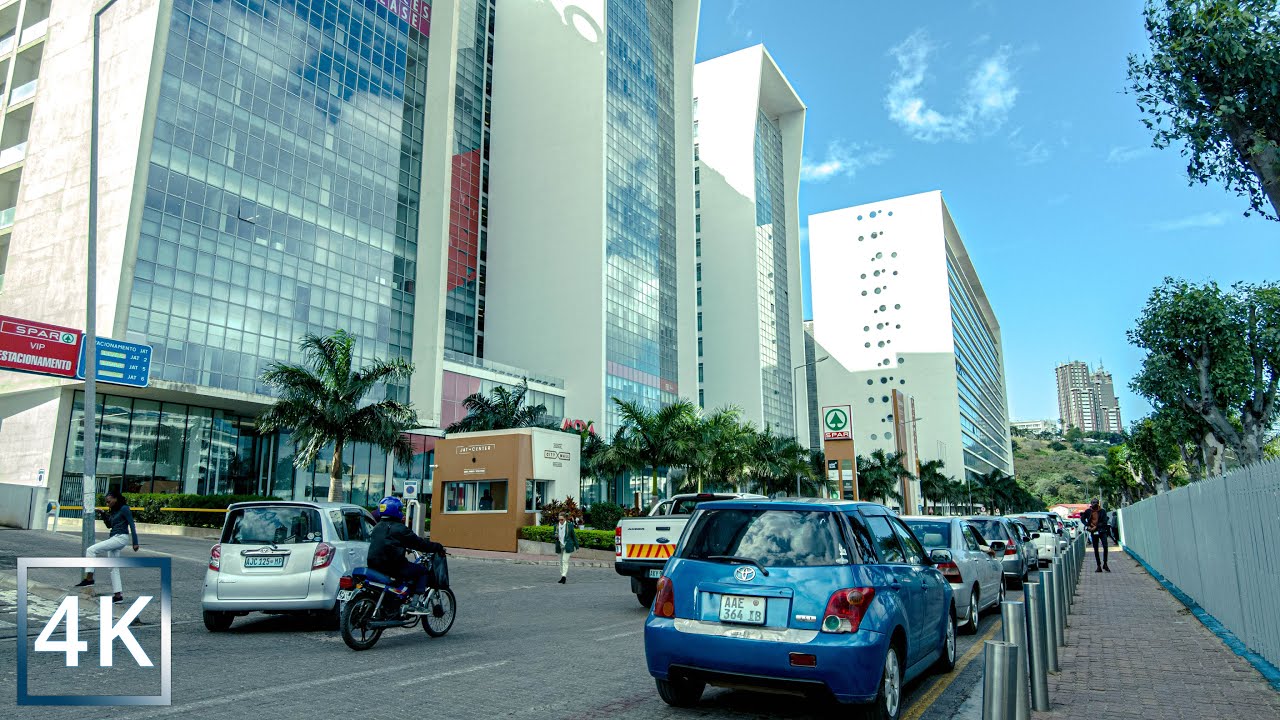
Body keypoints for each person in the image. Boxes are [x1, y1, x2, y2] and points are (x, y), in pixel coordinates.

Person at [368, 496, 445, 613]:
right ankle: (414, 604)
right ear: (396, 511)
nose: (401, 512)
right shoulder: (400, 528)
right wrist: (437, 546)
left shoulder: (377, 527)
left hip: (374, 565)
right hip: (393, 567)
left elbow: (387, 542)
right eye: (400, 509)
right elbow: (419, 544)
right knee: (422, 571)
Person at [74, 490, 140, 603]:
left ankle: (89, 578)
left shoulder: (125, 508)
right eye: (106, 502)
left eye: (108, 501)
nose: (107, 503)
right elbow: (110, 525)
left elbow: (132, 525)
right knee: (113, 567)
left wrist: (135, 542)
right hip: (114, 538)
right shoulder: (114, 511)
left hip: (121, 538)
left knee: (91, 550)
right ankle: (118, 596)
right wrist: (103, 513)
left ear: (115, 499)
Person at [1086, 498, 1111, 572]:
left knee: (1105, 547)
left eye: (1096, 502)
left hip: (1102, 531)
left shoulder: (1102, 511)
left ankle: (1105, 563)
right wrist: (1087, 525)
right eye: (1093, 502)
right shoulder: (1089, 511)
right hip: (1094, 532)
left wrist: (1095, 527)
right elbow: (1083, 518)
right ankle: (1098, 565)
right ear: (1091, 503)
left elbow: (1104, 521)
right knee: (1095, 549)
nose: (1095, 504)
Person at [554, 511, 577, 584]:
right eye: (559, 520)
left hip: (568, 545)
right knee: (560, 561)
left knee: (564, 560)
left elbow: (573, 536)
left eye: (562, 520)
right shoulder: (556, 526)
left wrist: (577, 545)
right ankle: (562, 575)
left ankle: (564, 576)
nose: (560, 521)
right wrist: (555, 536)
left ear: (565, 519)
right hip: (559, 545)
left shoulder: (569, 526)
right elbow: (553, 535)